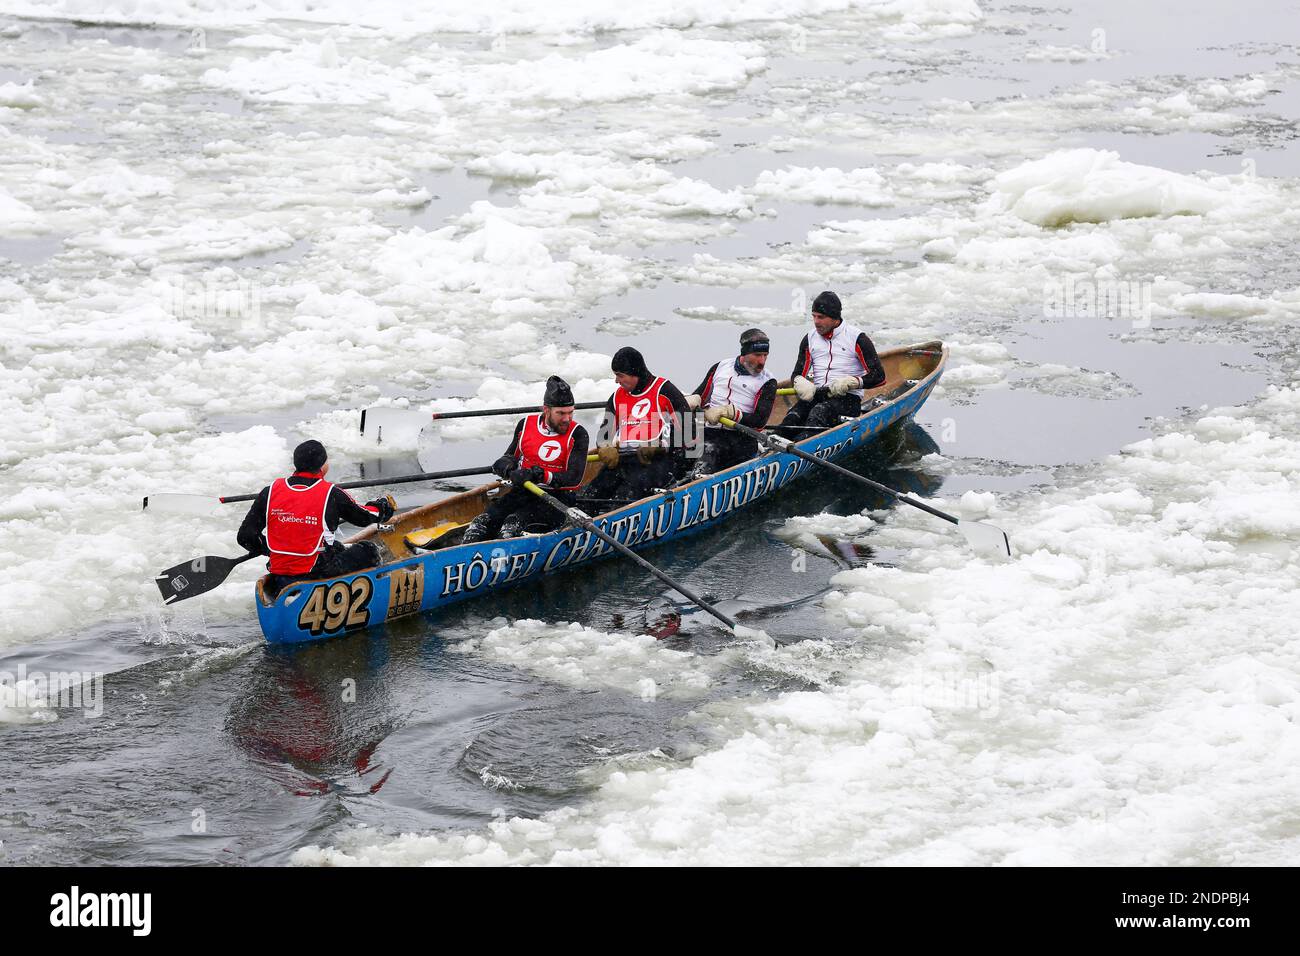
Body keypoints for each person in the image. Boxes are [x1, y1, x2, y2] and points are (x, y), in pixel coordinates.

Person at [238, 440, 394, 598]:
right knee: (369, 549)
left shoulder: (269, 491)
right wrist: (383, 507)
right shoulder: (331, 493)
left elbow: (245, 537)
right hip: (317, 573)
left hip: (280, 574)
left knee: (337, 547)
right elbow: (365, 518)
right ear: (323, 465)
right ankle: (372, 594)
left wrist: (271, 550)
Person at [462, 376, 591, 543]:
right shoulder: (525, 425)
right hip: (522, 492)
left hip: (557, 499)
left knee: (512, 525)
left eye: (570, 412)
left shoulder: (578, 434)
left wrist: (540, 475)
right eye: (561, 413)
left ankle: (503, 559)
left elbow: (574, 479)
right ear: (546, 410)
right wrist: (507, 467)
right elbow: (510, 456)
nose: (567, 418)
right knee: (481, 523)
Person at [585, 347, 695, 503]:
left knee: (635, 491)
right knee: (593, 493)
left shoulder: (664, 391)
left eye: (620, 376)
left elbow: (690, 431)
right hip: (624, 459)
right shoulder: (616, 398)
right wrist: (604, 447)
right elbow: (604, 435)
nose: (617, 381)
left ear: (634, 373)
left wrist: (660, 446)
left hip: (658, 460)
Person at [780, 290, 886, 433]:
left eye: (821, 317)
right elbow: (797, 374)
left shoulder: (857, 338)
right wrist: (800, 382)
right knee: (792, 418)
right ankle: (773, 448)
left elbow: (879, 377)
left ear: (835, 318)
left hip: (848, 399)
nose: (816, 322)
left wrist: (852, 382)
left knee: (818, 414)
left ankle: (804, 446)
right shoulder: (809, 339)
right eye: (814, 316)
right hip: (818, 394)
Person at [685, 328, 777, 478]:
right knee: (677, 437)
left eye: (765, 356)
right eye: (757, 355)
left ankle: (693, 484)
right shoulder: (720, 367)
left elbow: (759, 421)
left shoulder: (768, 381)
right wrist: (693, 399)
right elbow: (701, 396)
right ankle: (674, 475)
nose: (762, 361)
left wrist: (731, 413)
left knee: (709, 450)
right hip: (710, 430)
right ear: (744, 354)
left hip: (741, 438)